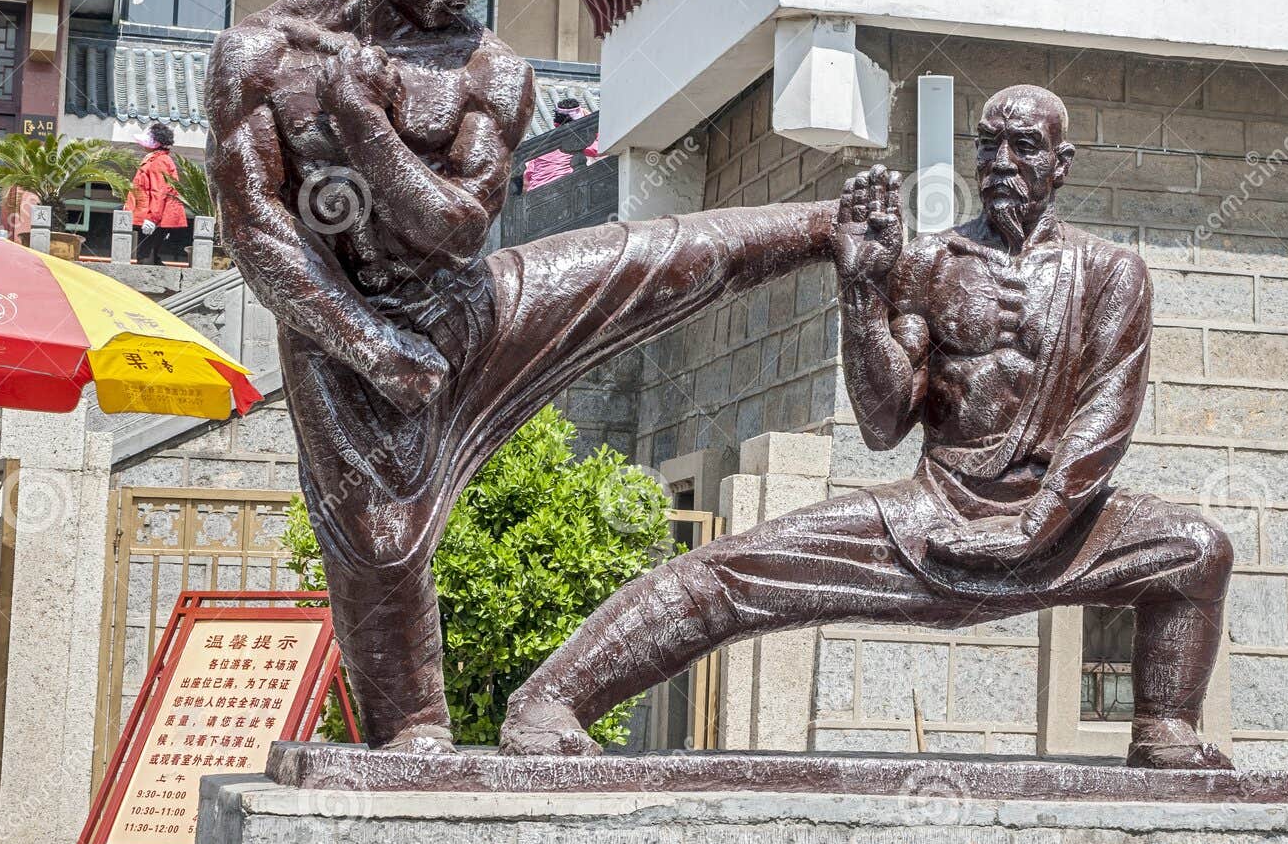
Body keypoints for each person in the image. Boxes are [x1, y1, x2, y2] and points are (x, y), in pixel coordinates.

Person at [208, 0, 838, 753]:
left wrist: (362, 121)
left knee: (631, 265)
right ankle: (414, 736)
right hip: (343, 342)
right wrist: (372, 346)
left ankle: (823, 225)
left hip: (468, 306)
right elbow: (255, 230)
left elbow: (461, 226)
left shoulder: (489, 69)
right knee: (379, 543)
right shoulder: (261, 56)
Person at [503, 86, 1235, 770]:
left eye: (1025, 147)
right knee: (733, 570)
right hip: (935, 516)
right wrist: (861, 290)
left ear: (1062, 163)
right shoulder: (930, 263)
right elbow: (885, 421)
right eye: (988, 146)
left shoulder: (1112, 273)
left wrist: (1035, 525)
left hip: (1061, 520)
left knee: (1194, 550)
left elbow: (1105, 417)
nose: (1002, 164)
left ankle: (1165, 726)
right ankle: (550, 700)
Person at [125, 122, 189, 264]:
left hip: (153, 216)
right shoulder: (157, 159)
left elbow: (159, 191)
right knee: (146, 254)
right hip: (151, 214)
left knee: (146, 256)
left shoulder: (159, 161)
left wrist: (152, 219)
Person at [520, 96, 599, 192]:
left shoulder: (543, 143)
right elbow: (599, 149)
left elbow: (529, 174)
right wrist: (592, 127)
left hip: (534, 191)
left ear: (556, 122)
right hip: (562, 189)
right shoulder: (576, 141)